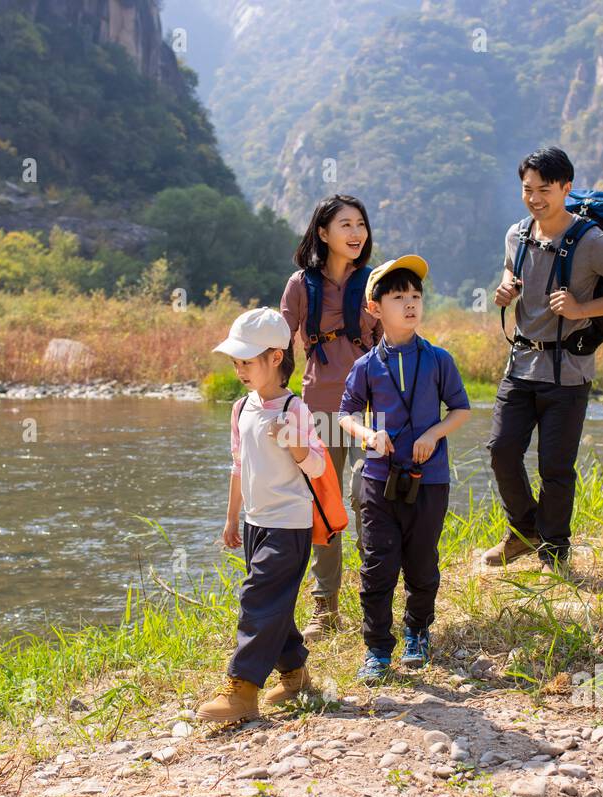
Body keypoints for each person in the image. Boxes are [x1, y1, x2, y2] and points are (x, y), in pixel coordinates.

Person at [483, 147, 603, 570]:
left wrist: (581, 310)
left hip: (569, 373)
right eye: (528, 189)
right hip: (520, 365)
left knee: (555, 468)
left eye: (545, 189)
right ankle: (524, 531)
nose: (535, 198)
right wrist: (507, 288)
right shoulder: (517, 233)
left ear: (566, 189)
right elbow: (509, 269)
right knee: (501, 450)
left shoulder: (591, 242)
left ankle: (554, 552)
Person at [338, 256, 471, 682]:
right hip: (378, 479)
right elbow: (345, 414)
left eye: (415, 296)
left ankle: (417, 632)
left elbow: (461, 410)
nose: (410, 304)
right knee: (377, 565)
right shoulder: (366, 366)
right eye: (398, 297)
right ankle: (377, 649)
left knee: (421, 564)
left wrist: (433, 435)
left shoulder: (438, 359)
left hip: (429, 481)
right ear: (375, 308)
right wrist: (368, 435)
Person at [198, 307, 329, 723]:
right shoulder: (241, 409)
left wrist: (294, 443)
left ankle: (242, 689)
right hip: (255, 523)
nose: (239, 369)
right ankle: (295, 677)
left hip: (289, 524)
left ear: (276, 357)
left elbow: (320, 468)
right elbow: (238, 466)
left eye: (247, 361)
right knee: (278, 604)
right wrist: (231, 518)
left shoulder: (295, 409)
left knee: (258, 596)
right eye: (235, 361)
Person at [280, 195, 379, 641]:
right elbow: (279, 344)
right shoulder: (301, 285)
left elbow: (394, 340)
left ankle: (374, 597)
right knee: (324, 503)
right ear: (323, 233)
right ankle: (326, 607)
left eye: (360, 224)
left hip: (369, 406)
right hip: (319, 407)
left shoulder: (376, 283)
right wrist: (275, 404)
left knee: (368, 496)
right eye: (345, 225)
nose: (356, 233)